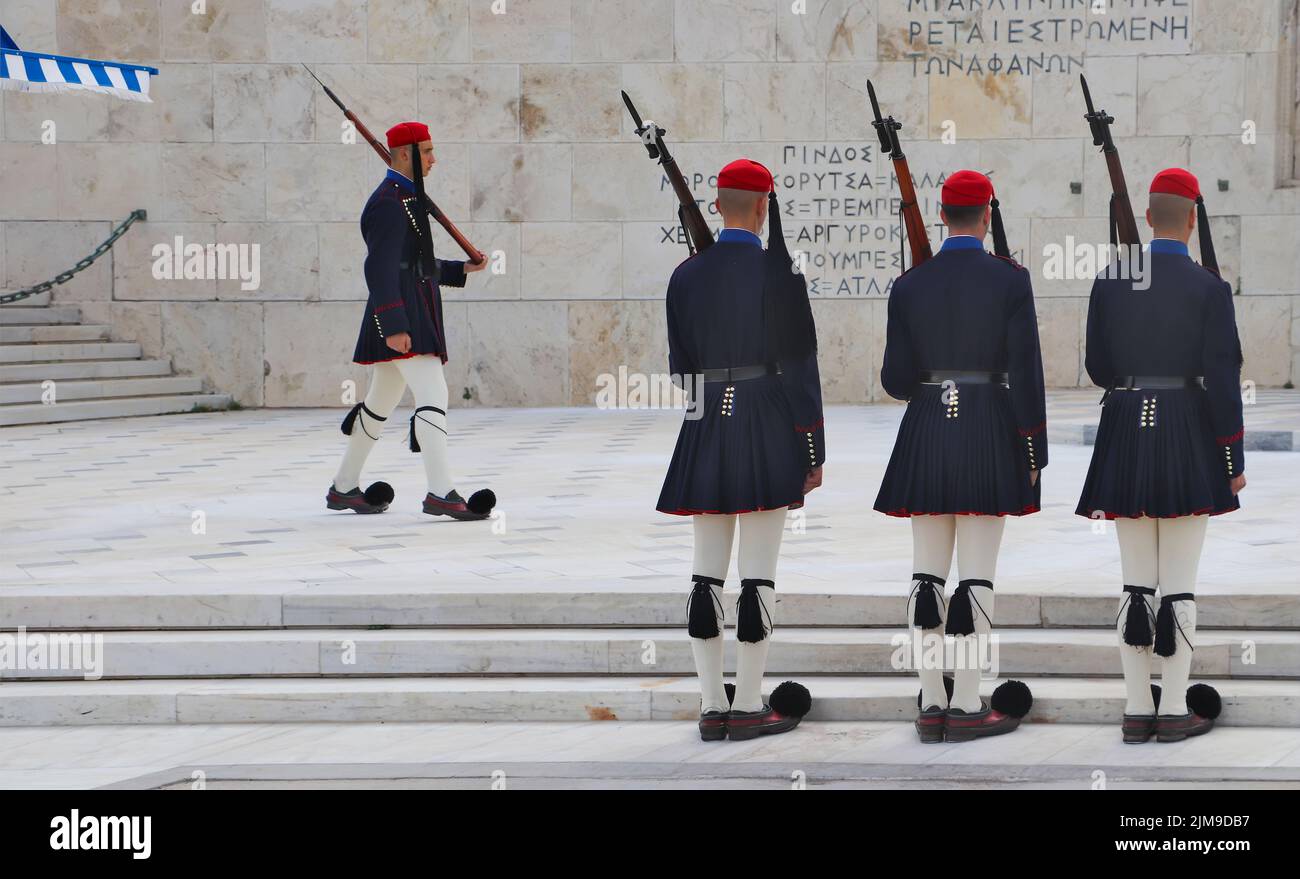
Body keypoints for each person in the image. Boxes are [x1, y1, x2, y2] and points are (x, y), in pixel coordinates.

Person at [874, 169, 1044, 743]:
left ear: (941, 215)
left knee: (926, 575)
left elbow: (896, 381)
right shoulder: (1010, 280)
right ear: (988, 214)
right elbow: (1027, 372)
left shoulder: (910, 284)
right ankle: (967, 704)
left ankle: (930, 702)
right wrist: (1033, 449)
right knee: (976, 578)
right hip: (989, 424)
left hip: (926, 424)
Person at [657, 158, 823, 742]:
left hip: (705, 421)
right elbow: (803, 370)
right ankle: (749, 704)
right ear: (763, 207)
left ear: (716, 205)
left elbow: (681, 367)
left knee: (705, 573)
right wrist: (812, 450)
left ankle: (710, 705)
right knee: (758, 576)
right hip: (767, 419)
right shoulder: (782, 275)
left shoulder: (684, 274)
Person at [1077, 167, 1243, 743]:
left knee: (1135, 583)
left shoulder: (1108, 281)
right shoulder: (1209, 288)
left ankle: (1133, 708)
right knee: (1180, 583)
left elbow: (1098, 368)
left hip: (1125, 426)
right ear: (1192, 220)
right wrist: (1232, 460)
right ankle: (1173, 709)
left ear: (1148, 218)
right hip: (1187, 429)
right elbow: (1224, 380)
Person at [327, 121, 493, 520]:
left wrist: (460, 270)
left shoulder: (406, 197)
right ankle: (441, 493)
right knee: (434, 396)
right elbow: (380, 270)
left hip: (411, 311)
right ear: (404, 154)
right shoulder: (387, 202)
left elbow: (412, 264)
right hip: (403, 317)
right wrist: (395, 326)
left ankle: (344, 487)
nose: (434, 160)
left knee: (380, 403)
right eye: (427, 152)